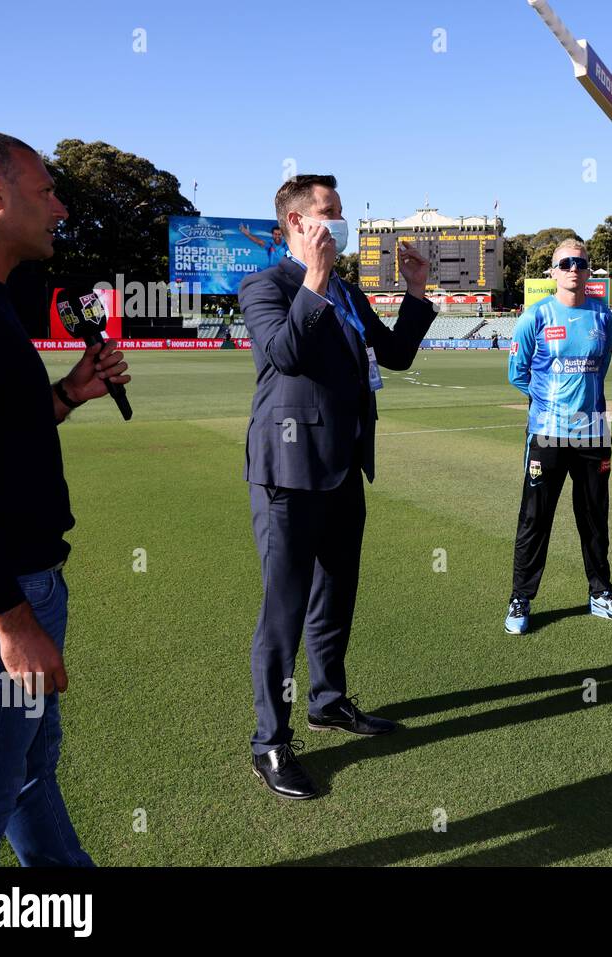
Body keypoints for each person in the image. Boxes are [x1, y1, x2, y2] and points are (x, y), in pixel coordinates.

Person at [0, 130, 131, 865]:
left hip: (4, 600)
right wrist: (12, 621)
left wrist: (68, 394)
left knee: (23, 779)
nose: (59, 206)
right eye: (46, 190)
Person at [239, 174, 435, 800]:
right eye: (330, 212)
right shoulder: (265, 286)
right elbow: (286, 353)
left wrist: (416, 292)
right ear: (296, 224)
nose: (341, 222)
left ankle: (328, 700)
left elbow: (396, 355)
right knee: (284, 610)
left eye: (341, 211)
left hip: (343, 468)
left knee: (335, 596)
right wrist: (317, 281)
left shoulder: (348, 292)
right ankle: (270, 740)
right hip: (288, 475)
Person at [504, 239, 612, 635]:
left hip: (593, 435)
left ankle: (600, 593)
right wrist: (550, 404)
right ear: (553, 271)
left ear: (588, 269)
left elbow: (602, 365)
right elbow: (517, 373)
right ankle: (520, 598)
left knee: (595, 518)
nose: (573, 268)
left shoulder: (603, 316)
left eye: (580, 262)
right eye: (565, 263)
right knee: (535, 519)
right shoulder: (536, 316)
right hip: (547, 435)